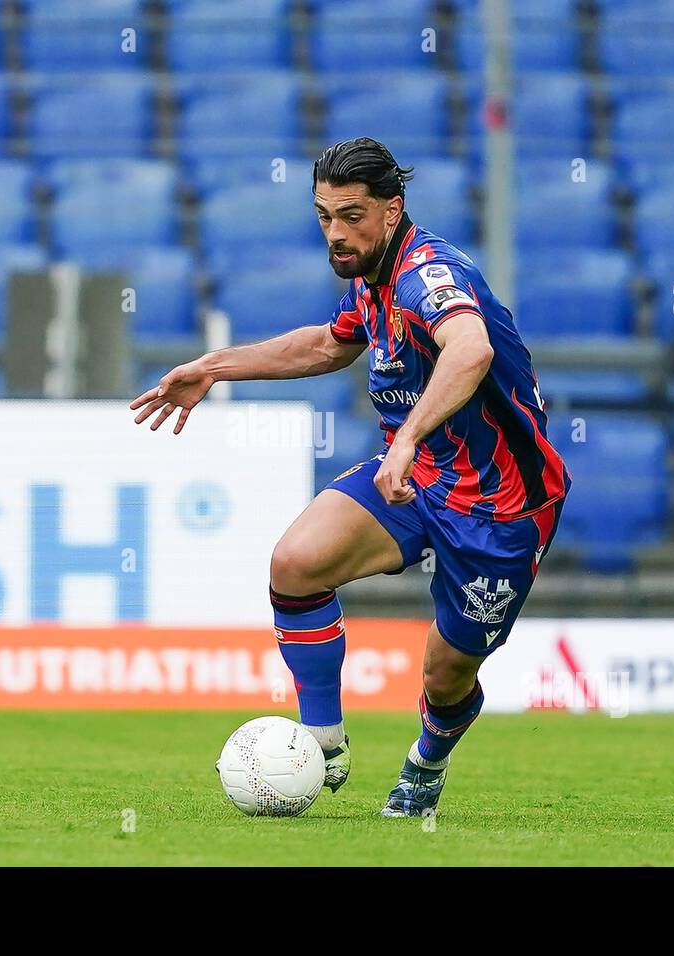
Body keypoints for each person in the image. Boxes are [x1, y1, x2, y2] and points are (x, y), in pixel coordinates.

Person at [131, 138, 571, 817]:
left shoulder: (428, 274)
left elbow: (472, 348)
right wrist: (214, 366)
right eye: (324, 216)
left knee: (445, 675)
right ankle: (323, 743)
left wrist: (408, 441)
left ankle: (426, 762)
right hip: (418, 475)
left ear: (392, 210)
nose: (336, 232)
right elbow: (330, 343)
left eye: (352, 215)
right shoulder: (371, 280)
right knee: (296, 563)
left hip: (500, 503)